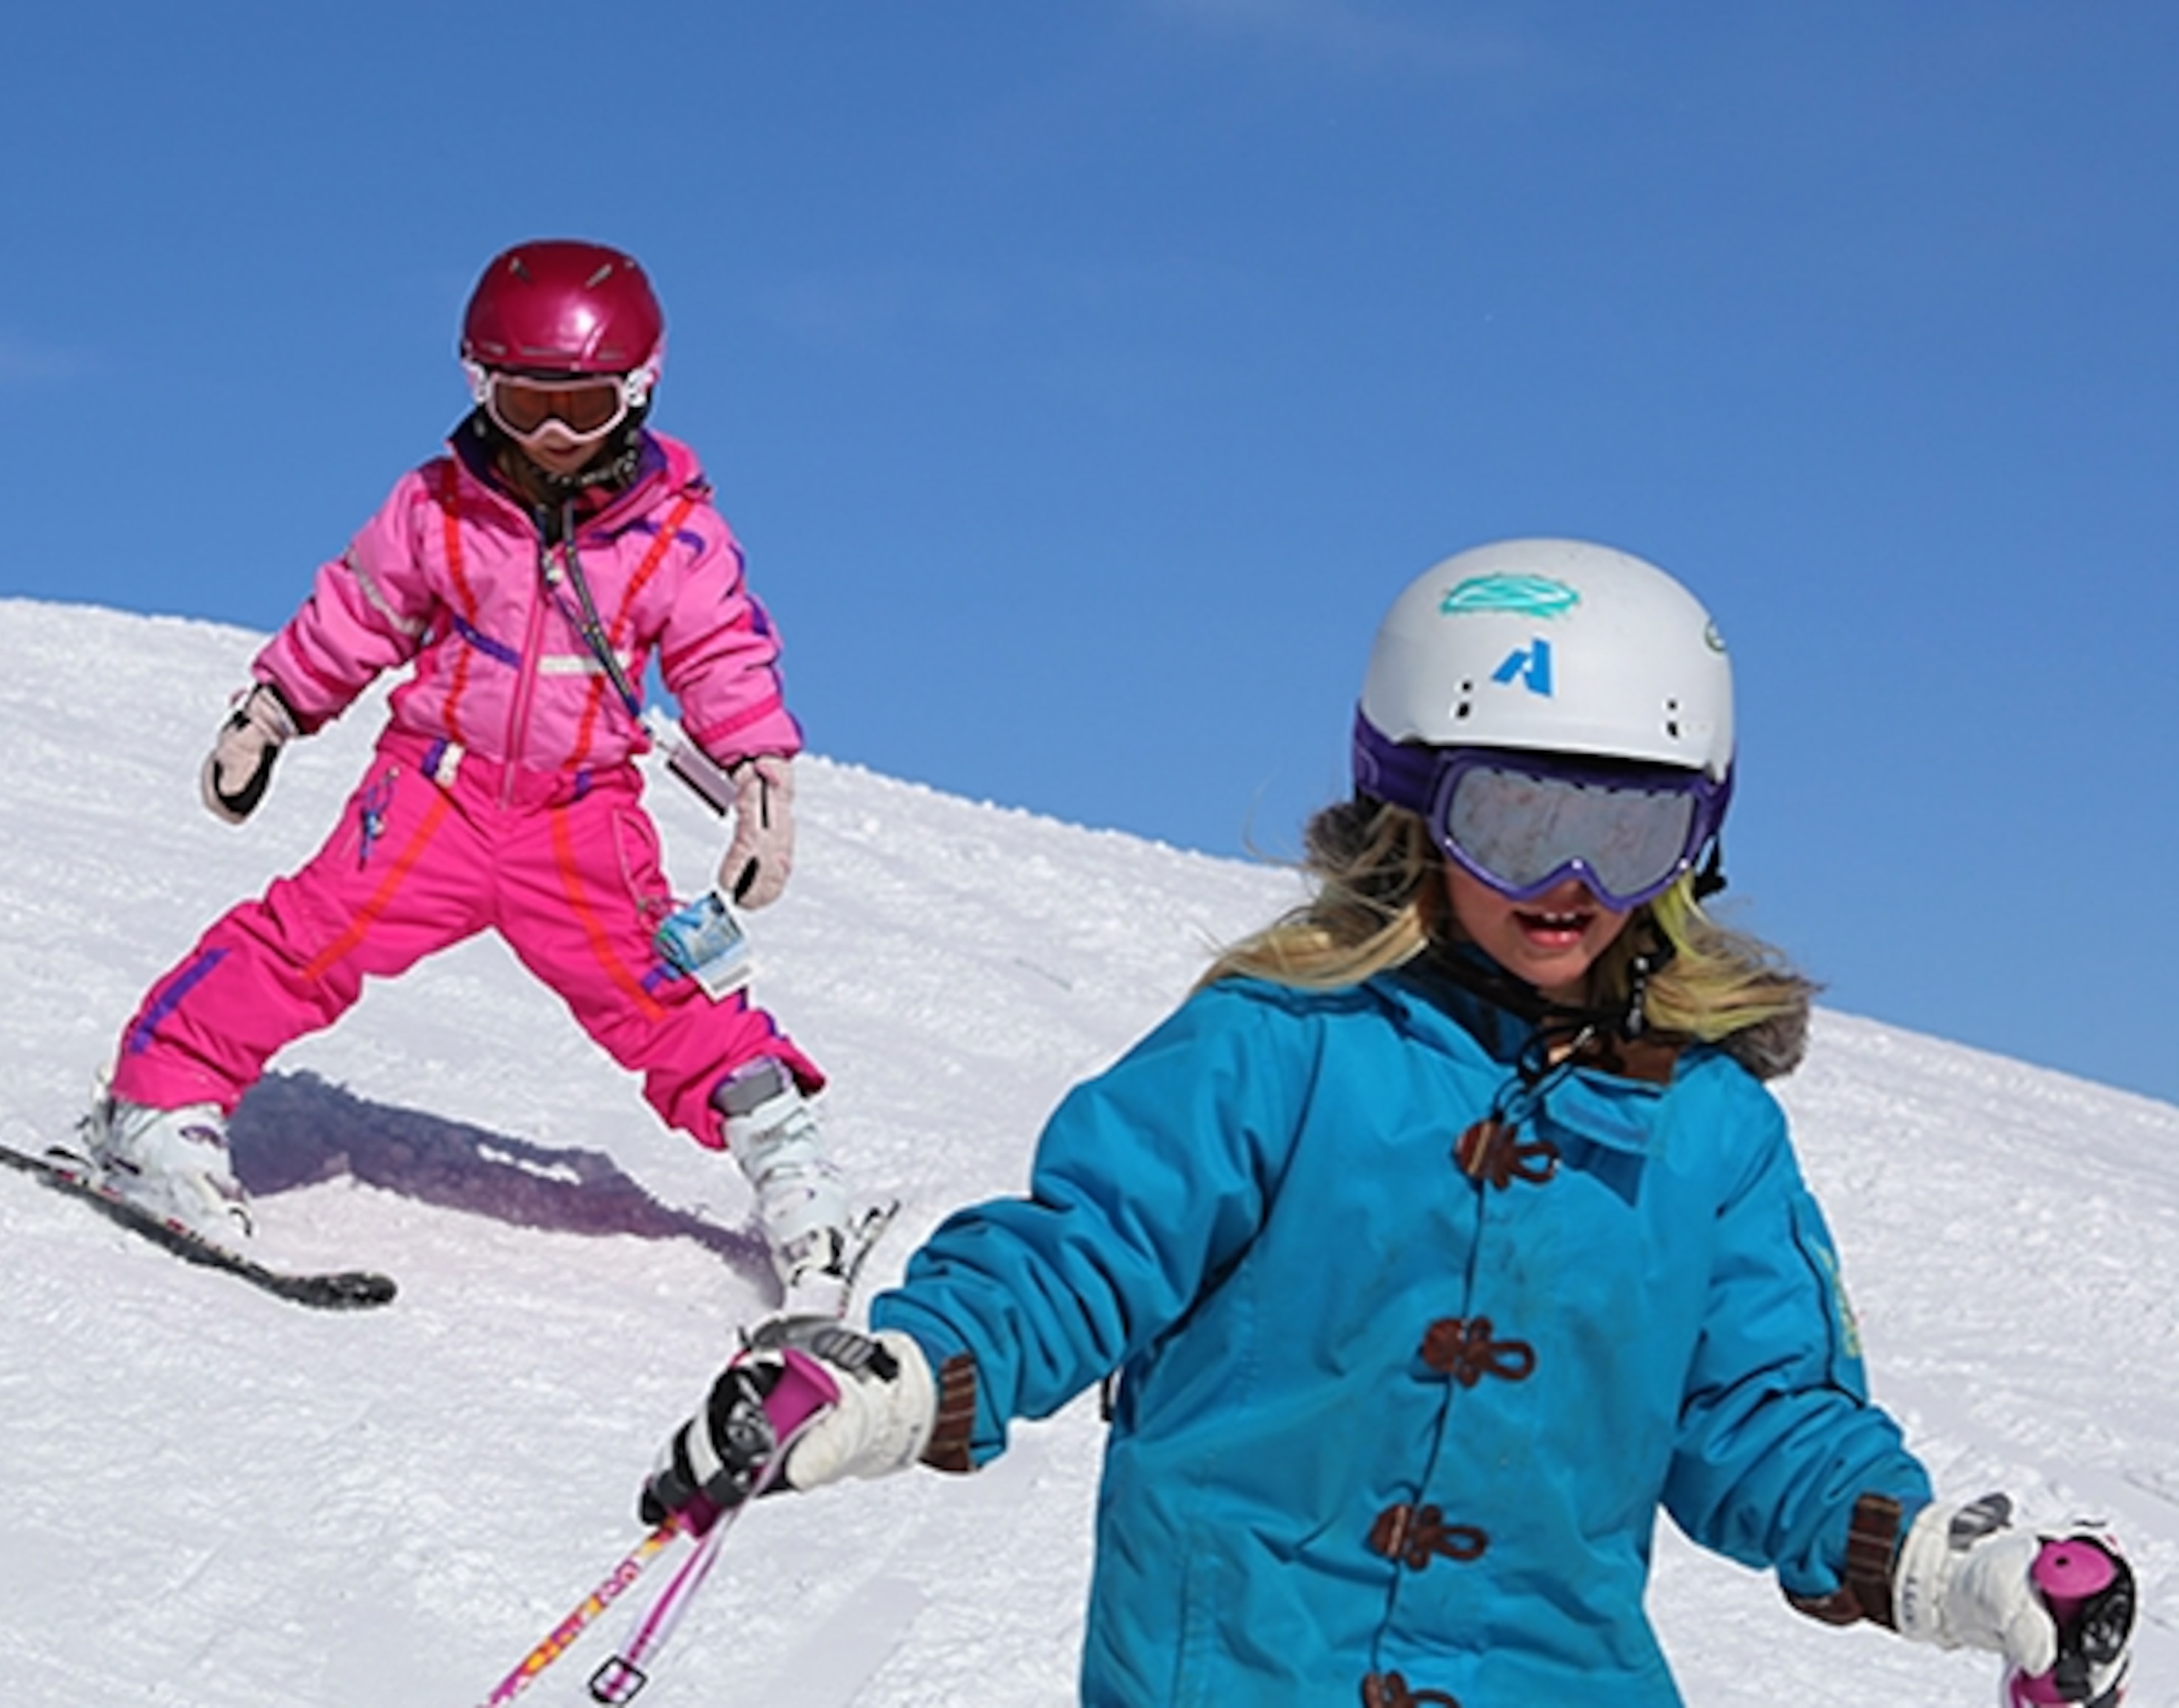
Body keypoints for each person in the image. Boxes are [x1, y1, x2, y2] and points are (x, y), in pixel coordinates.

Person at [641, 540, 2135, 1704]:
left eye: (1629, 828)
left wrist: (1942, 1558)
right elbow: (1086, 1251)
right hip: (1238, 1673)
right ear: (1412, 805)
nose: (1570, 878)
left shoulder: (1709, 1129)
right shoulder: (1282, 1045)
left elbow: (1758, 1419)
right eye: (1515, 813)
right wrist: (899, 1375)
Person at [84, 238, 872, 1318]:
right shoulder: (439, 506)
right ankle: (155, 1102)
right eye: (521, 399)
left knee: (663, 997)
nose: (550, 435)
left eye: (582, 406)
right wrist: (271, 711)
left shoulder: (673, 532)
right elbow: (359, 612)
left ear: (636, 392)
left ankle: (792, 1164)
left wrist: (759, 777)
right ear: (477, 384)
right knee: (310, 937)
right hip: (433, 797)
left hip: (580, 820)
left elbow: (724, 652)